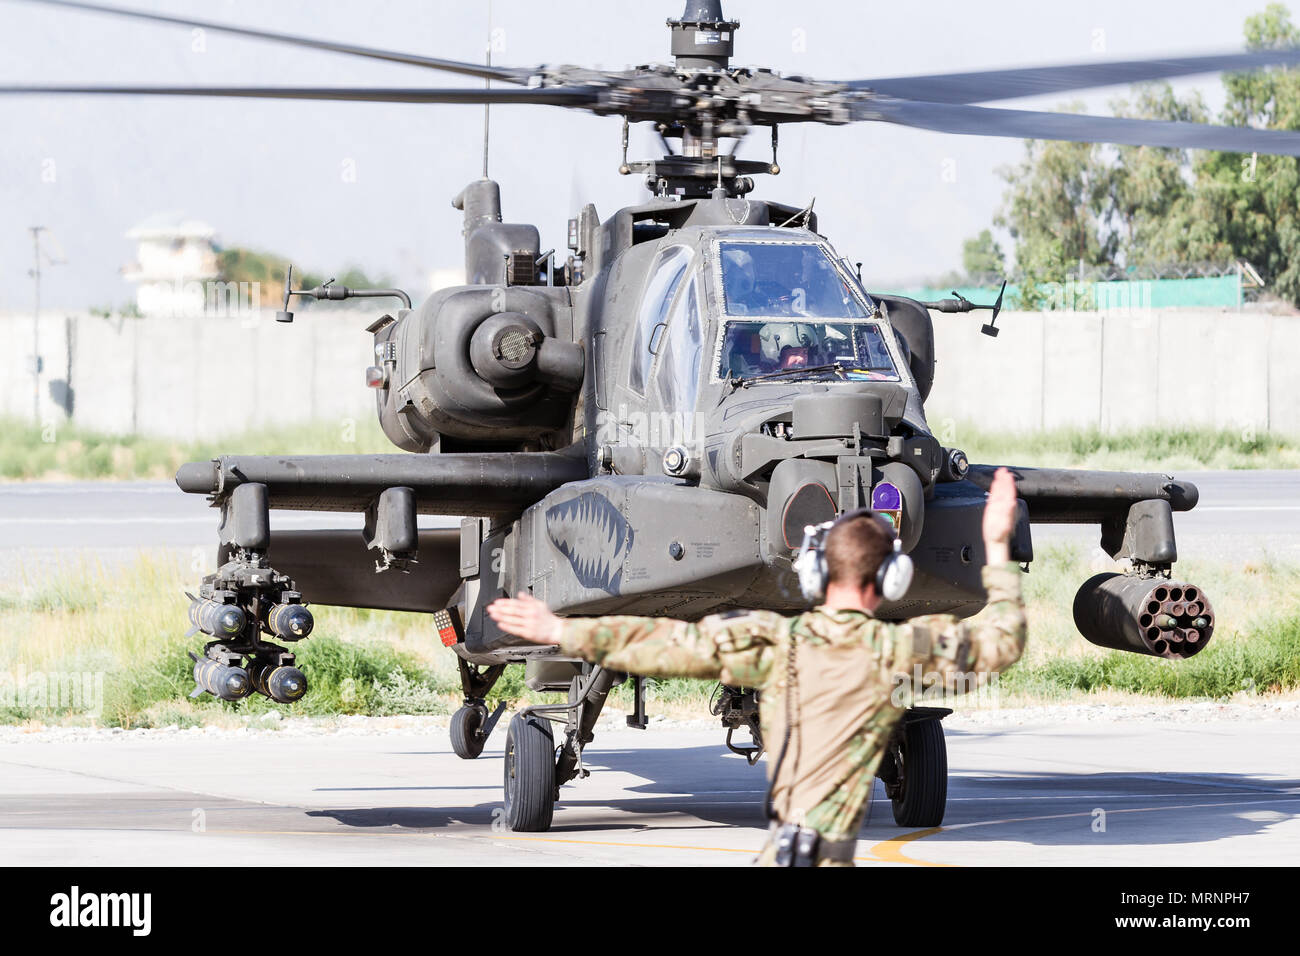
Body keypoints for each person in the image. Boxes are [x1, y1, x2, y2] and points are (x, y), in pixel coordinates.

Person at [487, 467, 1027, 866]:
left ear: (817, 575)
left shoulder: (775, 643)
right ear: (891, 582)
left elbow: (667, 643)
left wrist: (563, 631)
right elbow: (1001, 640)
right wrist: (997, 544)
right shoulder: (900, 650)